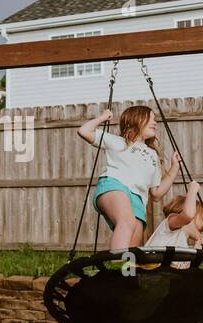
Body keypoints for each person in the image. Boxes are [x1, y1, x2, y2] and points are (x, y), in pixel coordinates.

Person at [76, 105, 180, 251]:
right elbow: (84, 131)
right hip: (114, 186)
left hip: (138, 200)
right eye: (150, 118)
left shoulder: (153, 155)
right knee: (127, 222)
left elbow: (156, 193)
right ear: (135, 120)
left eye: (155, 119)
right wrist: (102, 117)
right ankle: (118, 263)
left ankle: (126, 272)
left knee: (133, 244)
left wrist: (174, 169)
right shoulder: (118, 141)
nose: (155, 122)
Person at [144, 181, 203, 267]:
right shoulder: (170, 225)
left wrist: (197, 249)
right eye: (201, 219)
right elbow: (188, 215)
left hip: (165, 277)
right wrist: (192, 190)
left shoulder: (184, 246)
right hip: (149, 271)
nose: (202, 228)